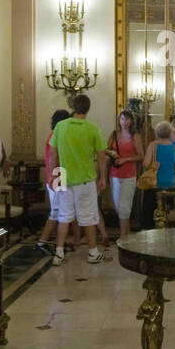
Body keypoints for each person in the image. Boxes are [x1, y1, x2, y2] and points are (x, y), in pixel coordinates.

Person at [46, 93, 108, 265]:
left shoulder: (60, 127)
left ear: (73, 107)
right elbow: (101, 156)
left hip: (65, 178)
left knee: (64, 216)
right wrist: (103, 178)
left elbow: (52, 153)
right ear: (88, 108)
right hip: (86, 179)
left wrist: (53, 175)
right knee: (89, 217)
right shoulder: (92, 128)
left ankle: (58, 254)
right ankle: (93, 253)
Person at [36, 109, 74, 255]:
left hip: (57, 175)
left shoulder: (54, 134)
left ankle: (59, 242)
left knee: (60, 211)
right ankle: (42, 242)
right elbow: (55, 157)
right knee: (57, 211)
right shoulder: (57, 135)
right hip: (57, 175)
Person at [105, 109, 146, 239]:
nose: (124, 121)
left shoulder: (136, 136)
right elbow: (106, 149)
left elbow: (141, 156)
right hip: (115, 173)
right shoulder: (114, 134)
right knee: (118, 206)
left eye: (127, 119)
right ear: (119, 120)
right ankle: (127, 235)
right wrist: (112, 153)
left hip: (129, 174)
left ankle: (123, 237)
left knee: (125, 207)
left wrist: (126, 159)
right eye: (122, 119)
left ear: (131, 121)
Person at [144, 120, 175, 191]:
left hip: (153, 181)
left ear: (157, 133)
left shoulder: (153, 145)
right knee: (168, 201)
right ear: (170, 133)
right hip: (170, 181)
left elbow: (145, 164)